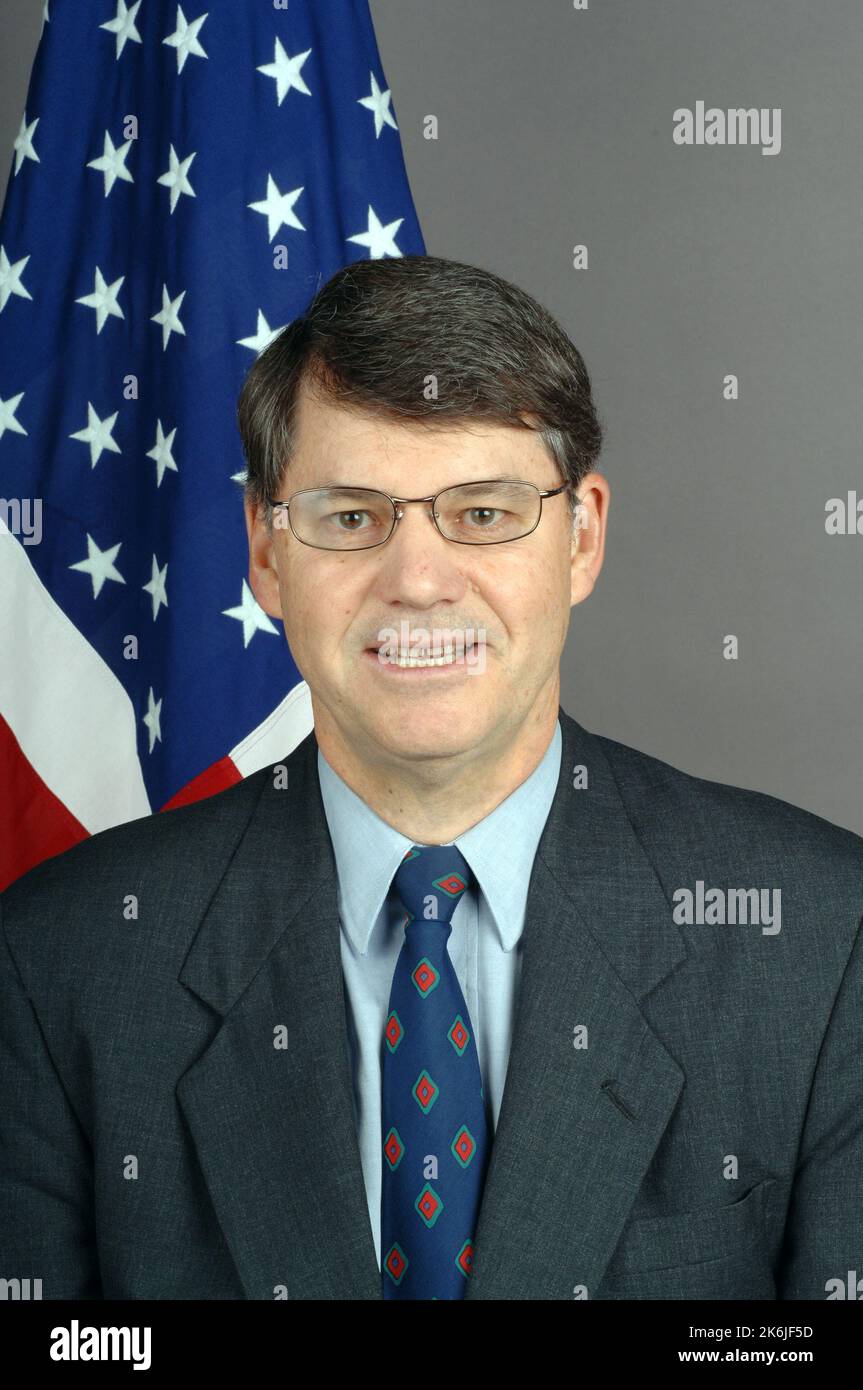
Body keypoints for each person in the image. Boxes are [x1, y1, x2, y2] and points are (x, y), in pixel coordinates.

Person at [1, 255, 861, 1301]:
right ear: (266, 554)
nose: (416, 580)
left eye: (485, 513)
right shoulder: (58, 963)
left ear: (581, 536)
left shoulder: (819, 943)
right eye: (351, 516)